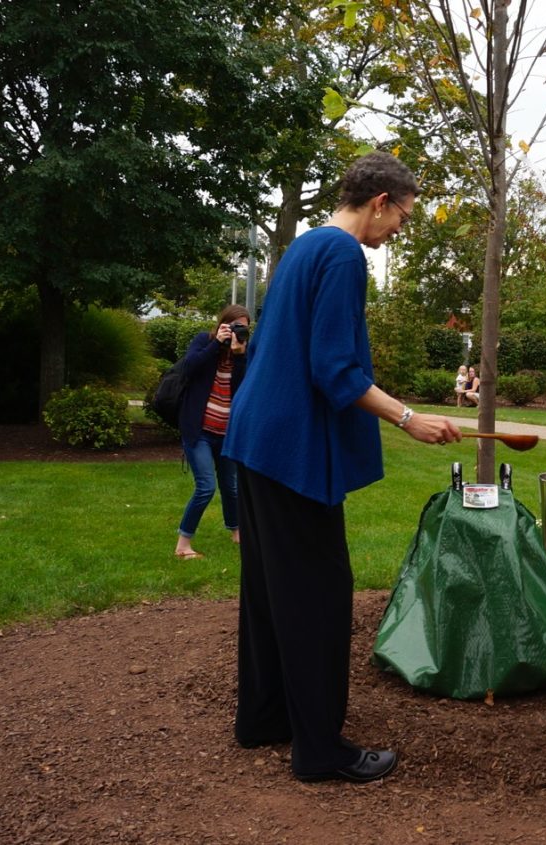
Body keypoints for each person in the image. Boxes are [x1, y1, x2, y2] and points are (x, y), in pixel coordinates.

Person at [222, 152, 461, 784]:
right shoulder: (344, 254)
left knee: (271, 593)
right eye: (403, 218)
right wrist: (410, 418)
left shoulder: (303, 247)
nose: (398, 233)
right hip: (293, 450)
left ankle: (265, 717)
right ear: (380, 200)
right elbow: (335, 371)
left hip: (258, 439)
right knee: (318, 598)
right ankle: (320, 750)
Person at [173, 305, 250, 559]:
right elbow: (188, 369)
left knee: (232, 486)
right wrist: (216, 343)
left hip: (228, 433)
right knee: (206, 486)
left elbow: (244, 389)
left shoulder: (244, 352)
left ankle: (237, 532)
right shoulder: (203, 341)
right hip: (199, 431)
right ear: (223, 324)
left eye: (244, 326)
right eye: (235, 325)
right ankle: (183, 544)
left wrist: (239, 356)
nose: (239, 330)